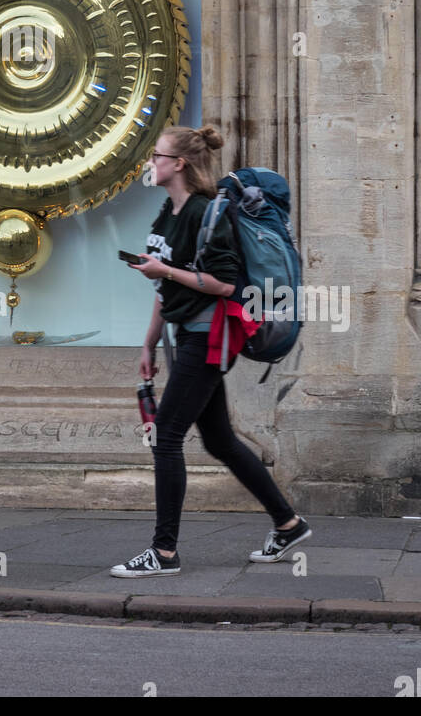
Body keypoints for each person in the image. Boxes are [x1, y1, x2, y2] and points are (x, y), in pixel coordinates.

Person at [109, 123, 311, 577]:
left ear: (178, 164)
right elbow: (163, 283)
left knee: (165, 437)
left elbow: (224, 284)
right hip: (185, 336)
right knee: (219, 440)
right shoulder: (168, 212)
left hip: (209, 337)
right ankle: (288, 522)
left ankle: (163, 554)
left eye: (158, 156)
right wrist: (148, 343)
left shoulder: (206, 213)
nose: (151, 163)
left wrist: (168, 270)